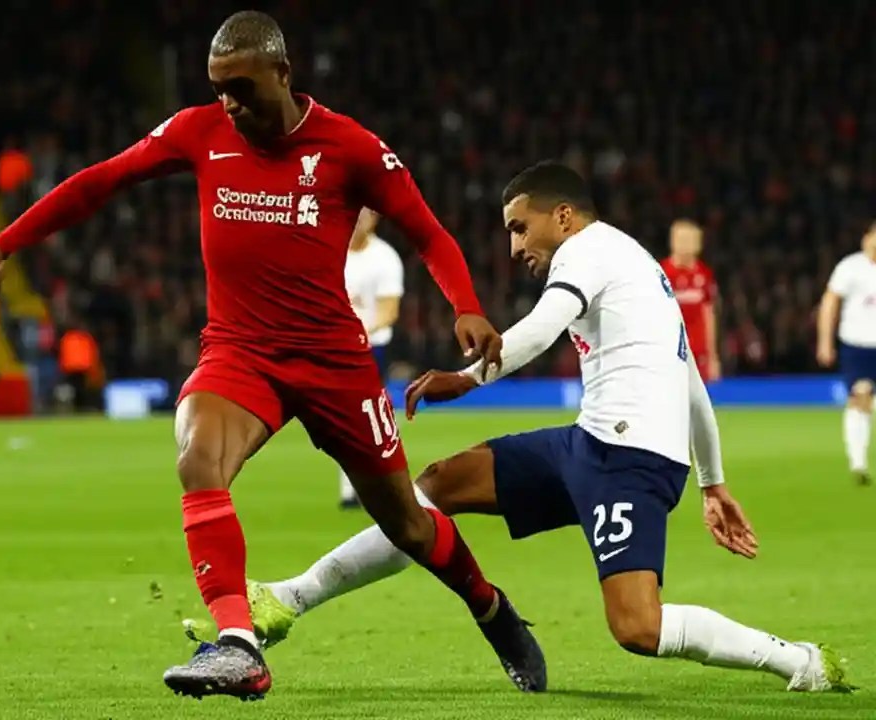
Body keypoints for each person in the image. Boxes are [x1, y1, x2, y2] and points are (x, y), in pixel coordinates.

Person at [0, 10, 537, 701]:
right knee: (196, 458)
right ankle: (237, 644)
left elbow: (428, 232)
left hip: (334, 364)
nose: (228, 104)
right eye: (218, 89)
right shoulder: (199, 131)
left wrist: (465, 303)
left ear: (284, 73)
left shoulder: (349, 147)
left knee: (409, 527)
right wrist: (6, 242)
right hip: (240, 353)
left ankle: (490, 608)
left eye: (241, 87)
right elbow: (100, 181)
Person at [248, 161, 850, 693]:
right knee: (436, 485)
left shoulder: (589, 253)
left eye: (519, 227)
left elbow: (542, 326)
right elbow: (689, 380)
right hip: (589, 443)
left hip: (630, 464)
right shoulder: (638, 267)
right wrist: (713, 483)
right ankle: (289, 597)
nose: (514, 247)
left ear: (562, 216)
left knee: (638, 628)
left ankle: (798, 661)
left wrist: (468, 378)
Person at [339, 208, 404, 508]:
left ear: (375, 218)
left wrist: (359, 332)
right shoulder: (332, 250)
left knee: (371, 419)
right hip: (336, 346)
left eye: (364, 214)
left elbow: (389, 313)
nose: (357, 220)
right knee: (341, 418)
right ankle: (350, 490)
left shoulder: (385, 258)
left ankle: (384, 484)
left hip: (371, 348)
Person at [816, 221, 876, 486]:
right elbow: (830, 303)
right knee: (860, 397)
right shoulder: (850, 267)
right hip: (857, 346)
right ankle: (858, 462)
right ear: (866, 237)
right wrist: (824, 342)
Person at [660, 220, 720, 381]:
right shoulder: (662, 273)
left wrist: (712, 355)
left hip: (698, 350)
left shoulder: (704, 274)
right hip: (670, 349)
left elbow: (709, 314)